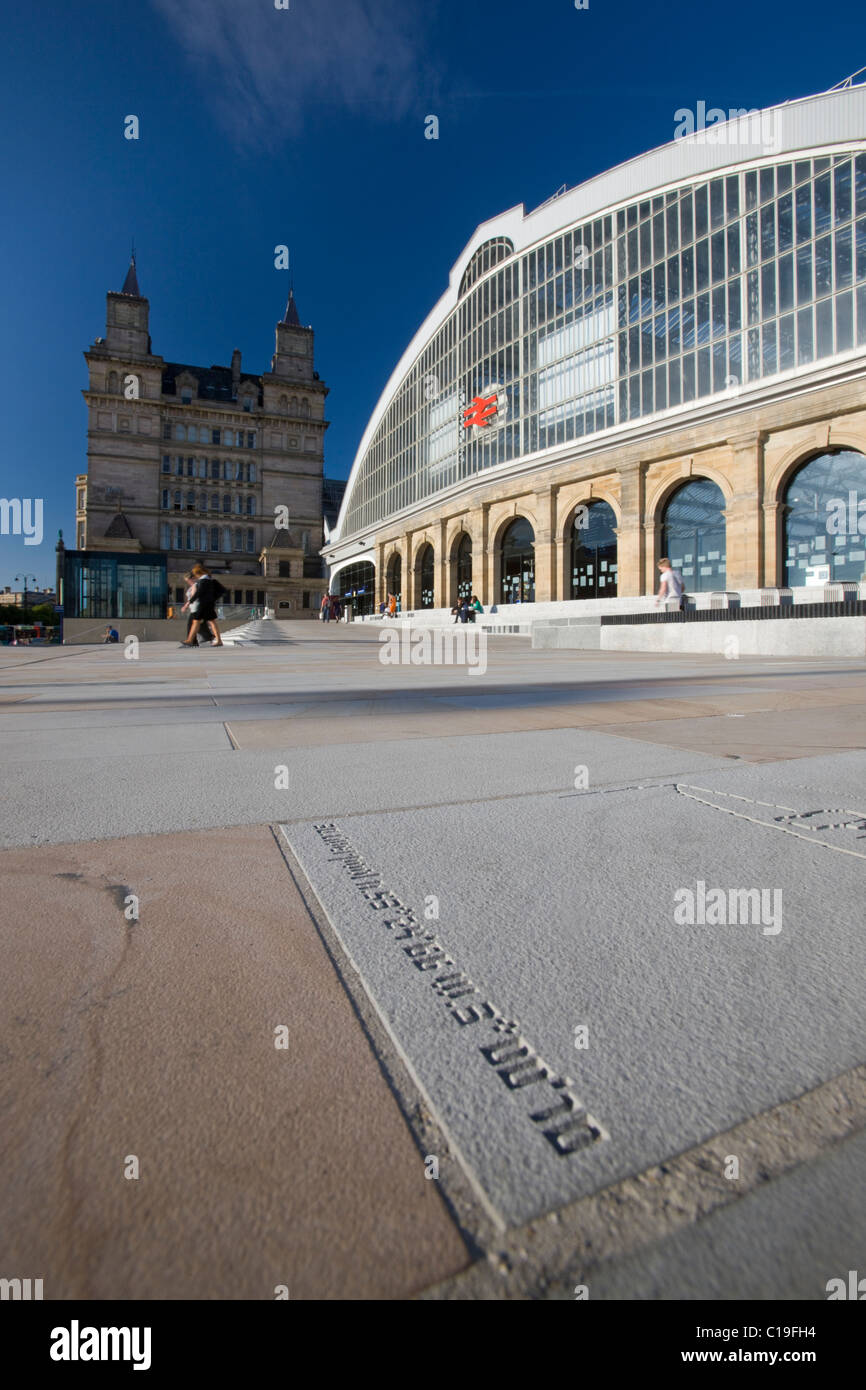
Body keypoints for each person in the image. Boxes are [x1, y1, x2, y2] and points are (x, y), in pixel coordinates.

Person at [181, 564, 227, 646]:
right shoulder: (210, 580)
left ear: (199, 573)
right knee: (211, 622)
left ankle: (190, 640)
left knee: (196, 622)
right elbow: (223, 591)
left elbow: (198, 593)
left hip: (203, 605)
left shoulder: (203, 581)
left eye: (195, 574)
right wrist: (213, 598)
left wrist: (189, 602)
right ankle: (218, 640)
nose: (195, 576)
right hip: (209, 605)